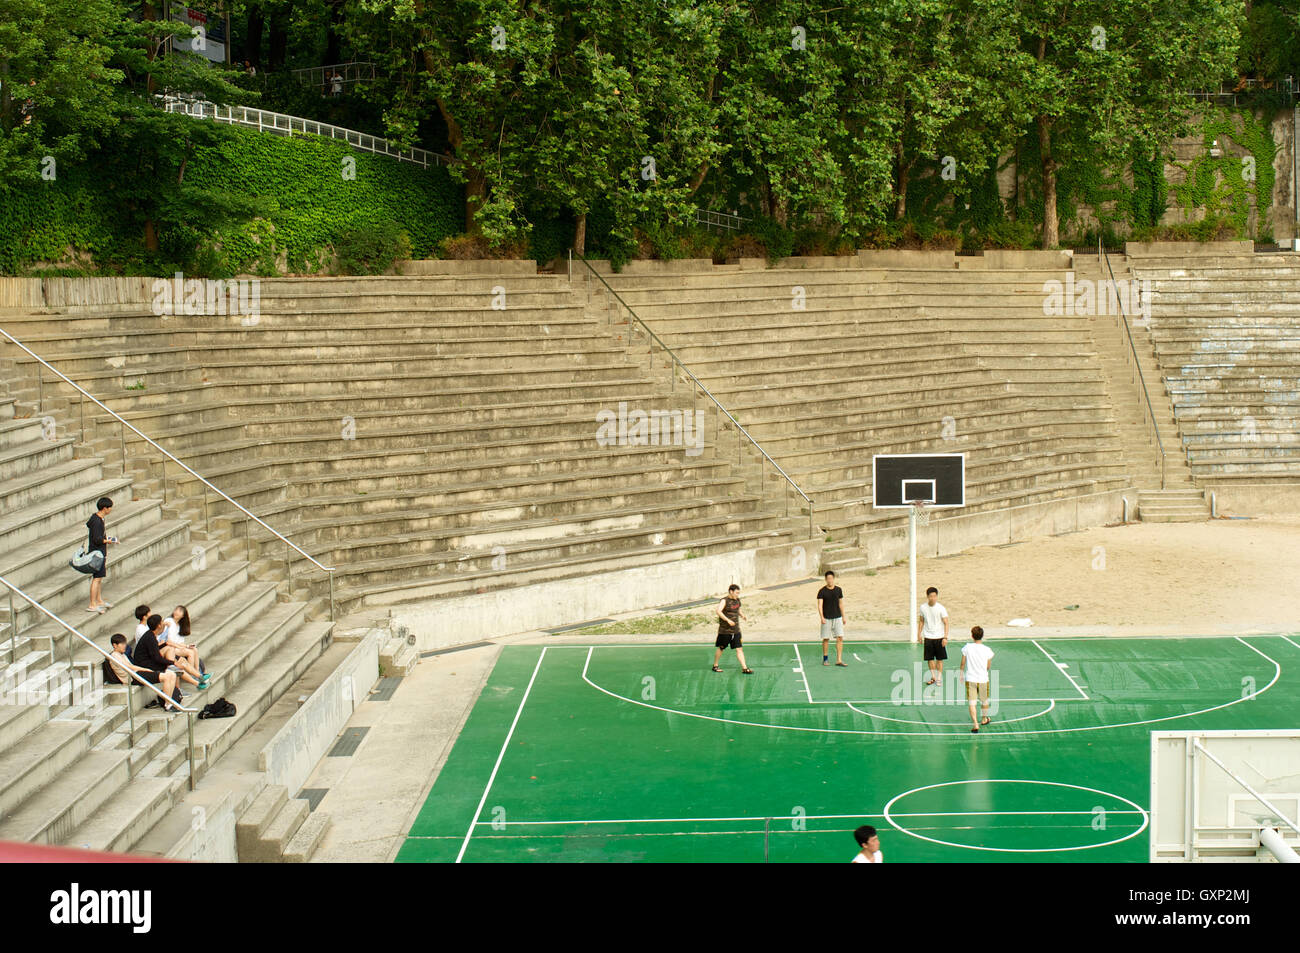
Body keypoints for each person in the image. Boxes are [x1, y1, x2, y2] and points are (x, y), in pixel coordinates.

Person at [104, 634, 181, 712]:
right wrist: (145, 669)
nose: (125, 646)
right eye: (122, 644)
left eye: (125, 643)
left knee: (172, 674)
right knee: (167, 677)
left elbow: (131, 666)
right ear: (115, 645)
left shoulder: (122, 654)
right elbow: (129, 667)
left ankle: (169, 701)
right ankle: (168, 704)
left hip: (136, 674)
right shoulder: (114, 656)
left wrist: (144, 670)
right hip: (133, 677)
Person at [135, 614, 206, 694]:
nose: (163, 624)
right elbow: (157, 658)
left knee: (175, 658)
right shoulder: (150, 638)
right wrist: (173, 662)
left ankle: (199, 677)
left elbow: (155, 650)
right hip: (146, 665)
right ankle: (196, 680)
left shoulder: (150, 635)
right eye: (162, 622)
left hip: (149, 660)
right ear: (159, 625)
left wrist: (165, 644)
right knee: (175, 665)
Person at [161, 605, 208, 685]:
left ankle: (197, 672)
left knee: (194, 649)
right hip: (169, 648)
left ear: (183, 615)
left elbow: (180, 642)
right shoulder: (169, 621)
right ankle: (193, 675)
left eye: (179, 611)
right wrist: (183, 647)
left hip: (176, 647)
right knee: (190, 653)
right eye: (176, 610)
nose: (176, 612)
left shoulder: (179, 626)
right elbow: (168, 641)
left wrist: (186, 646)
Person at [85, 497, 117, 614]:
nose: (110, 510)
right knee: (97, 578)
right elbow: (98, 539)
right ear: (105, 508)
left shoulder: (96, 518)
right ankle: (92, 604)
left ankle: (98, 600)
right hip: (97, 553)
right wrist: (108, 541)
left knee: (99, 578)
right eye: (109, 508)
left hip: (98, 551)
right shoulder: (97, 522)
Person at [960, 625, 995, 733]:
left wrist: (961, 673)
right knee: (984, 700)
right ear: (982, 636)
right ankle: (984, 719)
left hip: (970, 678)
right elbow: (988, 666)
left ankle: (975, 724)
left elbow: (962, 663)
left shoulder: (967, 647)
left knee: (972, 703)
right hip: (983, 679)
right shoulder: (987, 650)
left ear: (972, 636)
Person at [712, 584, 752, 674]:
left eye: (738, 593)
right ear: (731, 591)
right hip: (725, 631)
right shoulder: (724, 600)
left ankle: (744, 668)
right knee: (721, 648)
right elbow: (718, 611)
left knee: (739, 649)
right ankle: (715, 666)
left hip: (736, 630)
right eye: (736, 593)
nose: (738, 594)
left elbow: (738, 609)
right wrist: (727, 620)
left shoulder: (737, 600)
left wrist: (742, 615)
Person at [917, 586, 949, 686]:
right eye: (931, 596)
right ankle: (933, 677)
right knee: (930, 659)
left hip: (939, 637)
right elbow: (921, 621)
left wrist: (945, 637)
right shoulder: (923, 607)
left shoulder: (941, 608)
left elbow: (946, 623)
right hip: (928, 637)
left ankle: (939, 678)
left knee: (939, 660)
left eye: (935, 596)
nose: (933, 598)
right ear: (927, 596)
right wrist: (919, 634)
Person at [817, 570, 846, 666]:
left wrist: (843, 617)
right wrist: (822, 617)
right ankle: (825, 659)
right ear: (825, 579)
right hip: (826, 618)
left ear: (833, 579)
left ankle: (839, 660)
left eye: (831, 578)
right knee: (826, 638)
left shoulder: (838, 590)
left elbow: (841, 604)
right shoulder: (822, 591)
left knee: (840, 637)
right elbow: (820, 605)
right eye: (828, 579)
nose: (829, 580)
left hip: (837, 617)